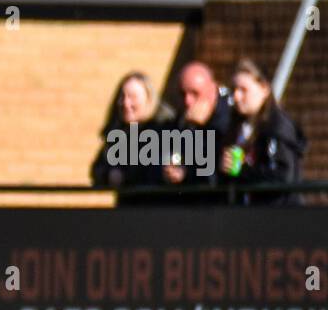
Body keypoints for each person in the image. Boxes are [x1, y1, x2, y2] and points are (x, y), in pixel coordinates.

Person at [219, 58, 307, 206]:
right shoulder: (236, 126)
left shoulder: (276, 125)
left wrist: (242, 170)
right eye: (234, 89)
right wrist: (224, 168)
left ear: (264, 89)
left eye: (243, 90)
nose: (236, 96)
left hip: (277, 217)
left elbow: (281, 176)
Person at [89, 71, 175, 204]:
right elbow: (98, 170)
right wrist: (110, 175)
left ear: (149, 99)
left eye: (133, 97)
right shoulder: (119, 135)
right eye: (122, 97)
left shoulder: (166, 132)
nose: (126, 103)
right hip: (127, 211)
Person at [160, 61, 233, 200]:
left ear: (212, 91)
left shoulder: (231, 119)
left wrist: (202, 128)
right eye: (183, 94)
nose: (188, 101)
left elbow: (214, 170)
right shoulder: (179, 122)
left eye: (195, 93)